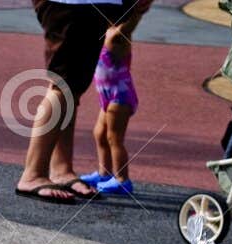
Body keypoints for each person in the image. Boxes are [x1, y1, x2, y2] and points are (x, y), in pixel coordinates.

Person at [16, 0, 152, 205]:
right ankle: (34, 173)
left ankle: (61, 169)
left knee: (71, 87)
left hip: (85, 5)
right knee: (63, 86)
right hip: (75, 5)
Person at [83, 15, 142, 195]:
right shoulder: (103, 31)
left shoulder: (119, 34)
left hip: (120, 96)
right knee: (99, 133)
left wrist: (139, 9)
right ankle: (104, 173)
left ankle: (122, 180)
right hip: (107, 97)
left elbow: (131, 23)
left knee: (114, 138)